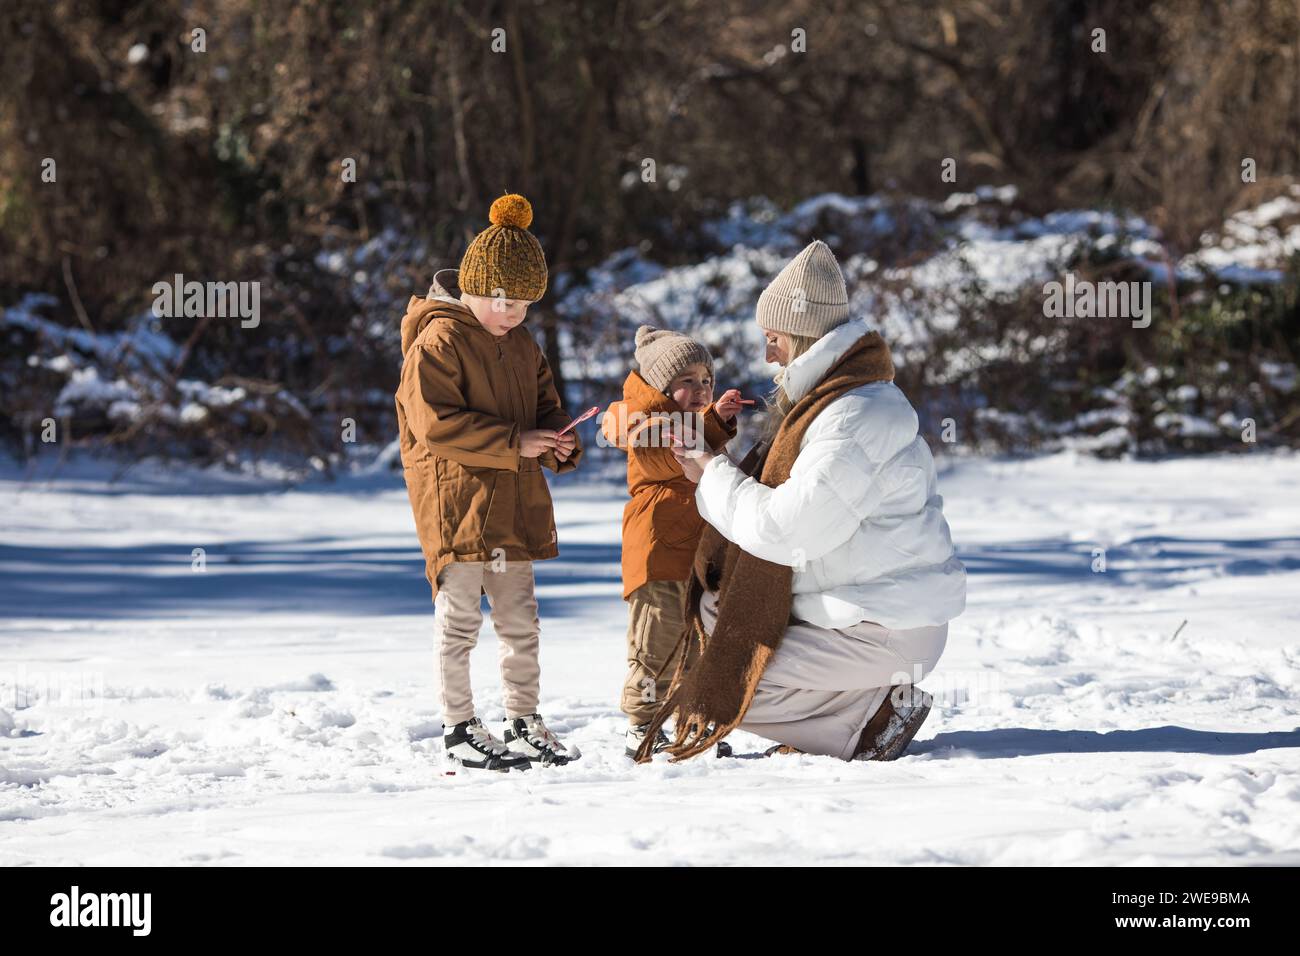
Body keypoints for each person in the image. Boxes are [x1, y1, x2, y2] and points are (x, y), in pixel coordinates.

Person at [639, 239, 966, 763]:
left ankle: (869, 718)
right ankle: (856, 705)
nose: (768, 354)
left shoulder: (852, 416)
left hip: (886, 626)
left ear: (804, 335)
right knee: (715, 613)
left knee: (723, 683)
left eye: (774, 339)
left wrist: (709, 471)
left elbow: (786, 531)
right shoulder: (835, 403)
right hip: (862, 609)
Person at [394, 194, 582, 772]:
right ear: (473, 287)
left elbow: (546, 404)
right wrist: (512, 443)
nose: (512, 314)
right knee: (460, 623)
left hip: (513, 506)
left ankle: (523, 719)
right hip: (457, 504)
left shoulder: (522, 343)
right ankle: (458, 727)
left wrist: (556, 440)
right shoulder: (438, 341)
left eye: (525, 305)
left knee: (521, 620)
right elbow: (434, 424)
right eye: (503, 302)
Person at [599, 326, 744, 758]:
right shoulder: (647, 427)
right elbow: (680, 452)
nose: (700, 389)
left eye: (706, 381)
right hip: (657, 553)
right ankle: (643, 723)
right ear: (662, 386)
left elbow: (698, 439)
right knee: (655, 643)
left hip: (695, 557)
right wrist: (711, 424)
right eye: (688, 381)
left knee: (696, 642)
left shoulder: (684, 425)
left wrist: (717, 419)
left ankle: (687, 721)